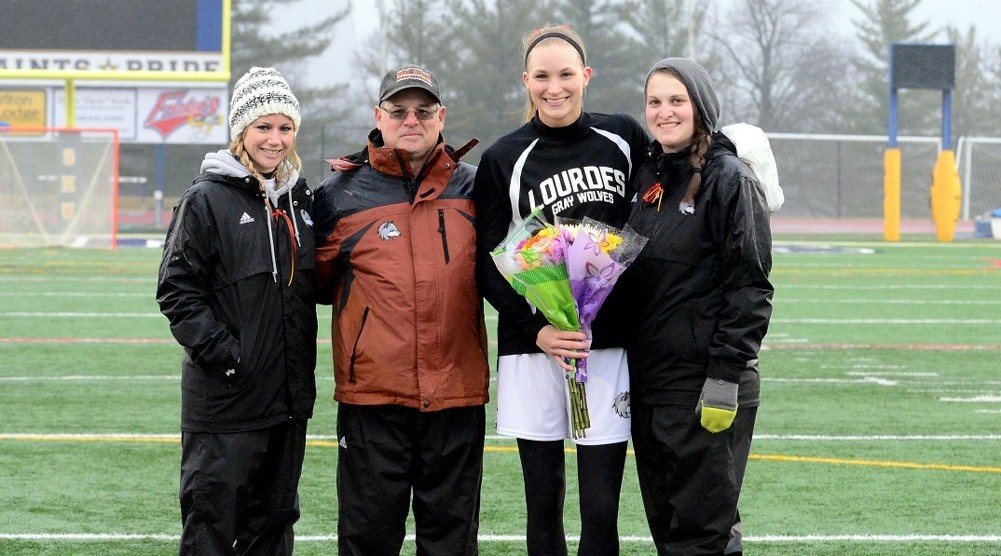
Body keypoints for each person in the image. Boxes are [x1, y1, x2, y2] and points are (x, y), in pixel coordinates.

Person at [474, 25, 649, 555]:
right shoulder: (504, 157)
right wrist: (540, 329)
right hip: (534, 347)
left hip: (607, 344)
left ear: (586, 76)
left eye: (567, 74)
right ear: (526, 81)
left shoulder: (623, 136)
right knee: (542, 498)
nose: (556, 87)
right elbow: (487, 262)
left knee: (601, 505)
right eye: (543, 76)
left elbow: (665, 192)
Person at [311, 63, 489, 555]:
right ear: (379, 116)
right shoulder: (337, 196)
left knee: (451, 543)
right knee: (368, 539)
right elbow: (312, 285)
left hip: (456, 397)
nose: (411, 119)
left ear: (441, 117)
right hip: (373, 400)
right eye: (399, 109)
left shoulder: (477, 188)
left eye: (423, 110)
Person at [156, 66, 317, 555]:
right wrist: (230, 358)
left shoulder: (298, 201)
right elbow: (176, 290)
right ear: (240, 131)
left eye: (285, 127)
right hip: (226, 405)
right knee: (210, 530)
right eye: (263, 127)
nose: (275, 139)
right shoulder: (205, 200)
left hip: (287, 404)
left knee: (272, 529)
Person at [622, 57, 774, 555]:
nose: (664, 112)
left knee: (705, 534)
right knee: (667, 530)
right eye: (655, 102)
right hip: (652, 387)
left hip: (704, 386)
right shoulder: (648, 176)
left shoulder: (729, 178)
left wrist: (725, 376)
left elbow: (750, 287)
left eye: (677, 100)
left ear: (701, 106)